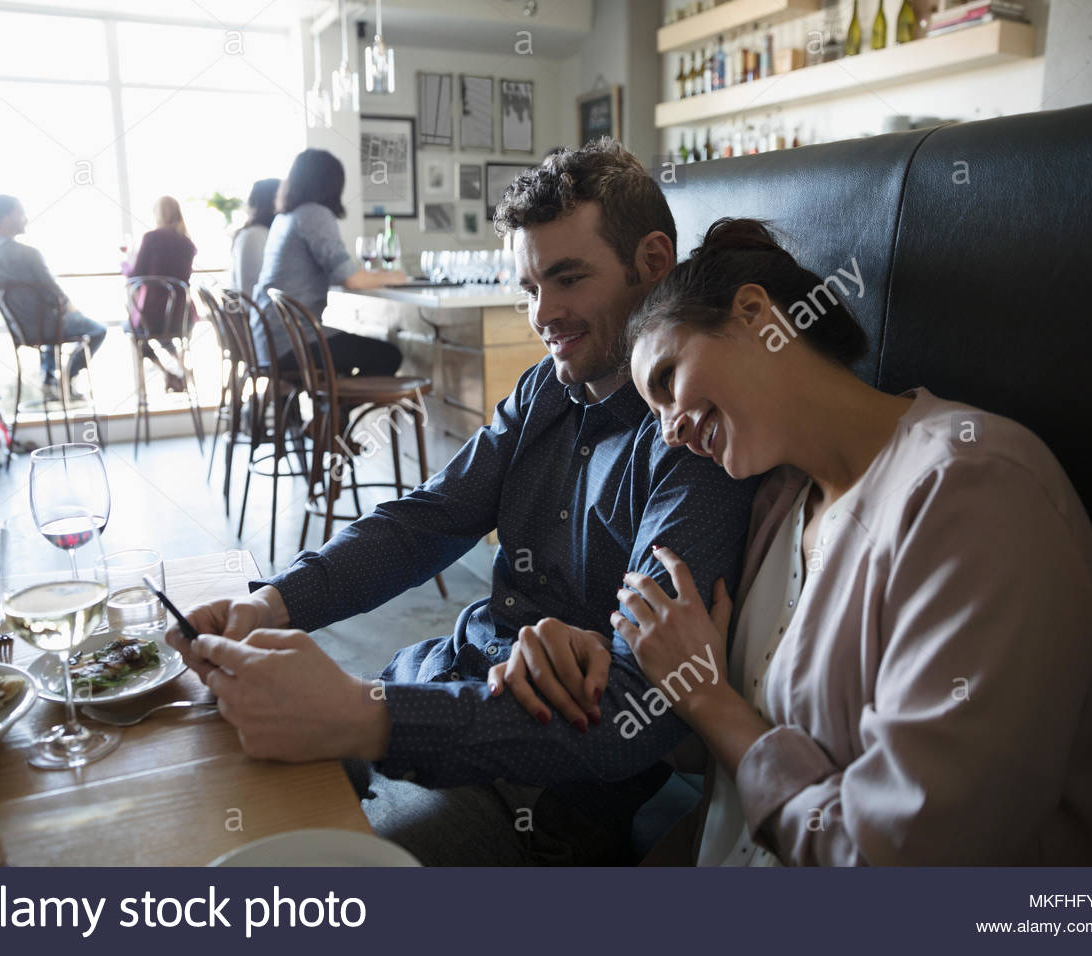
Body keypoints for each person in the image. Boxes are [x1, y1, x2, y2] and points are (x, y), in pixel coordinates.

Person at [166, 141, 760, 865]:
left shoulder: (693, 440)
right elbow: (427, 521)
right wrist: (271, 604)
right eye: (530, 287)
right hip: (429, 681)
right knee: (203, 791)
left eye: (569, 279)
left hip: (530, 793)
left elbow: (631, 715)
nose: (544, 315)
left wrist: (364, 718)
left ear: (653, 261)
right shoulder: (550, 386)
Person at [492, 217, 1092, 866]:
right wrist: (594, 660)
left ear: (752, 314)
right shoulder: (780, 504)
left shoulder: (976, 487)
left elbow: (896, 858)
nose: (668, 434)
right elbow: (749, 739)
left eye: (666, 382)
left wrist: (711, 701)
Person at [252, 148, 408, 377]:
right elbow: (350, 279)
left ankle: (333, 408)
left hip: (269, 341)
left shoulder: (284, 218)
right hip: (294, 342)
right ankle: (335, 411)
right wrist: (393, 276)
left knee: (353, 353)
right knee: (388, 355)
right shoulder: (314, 214)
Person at [0, 194, 106, 401]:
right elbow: (54, 292)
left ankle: (49, 381)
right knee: (97, 329)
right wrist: (72, 308)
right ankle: (66, 377)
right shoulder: (28, 254)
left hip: (21, 328)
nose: (25, 218)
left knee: (49, 319)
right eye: (20, 213)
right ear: (7, 217)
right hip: (48, 325)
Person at [124, 196, 197, 393]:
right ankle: (181, 368)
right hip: (183, 315)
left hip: (154, 313)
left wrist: (126, 263)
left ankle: (168, 372)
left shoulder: (152, 238)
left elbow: (136, 275)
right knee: (165, 335)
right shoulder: (187, 243)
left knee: (132, 330)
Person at [229, 178, 279, 298]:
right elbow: (250, 291)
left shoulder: (258, 233)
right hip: (254, 312)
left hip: (255, 308)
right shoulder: (255, 236)